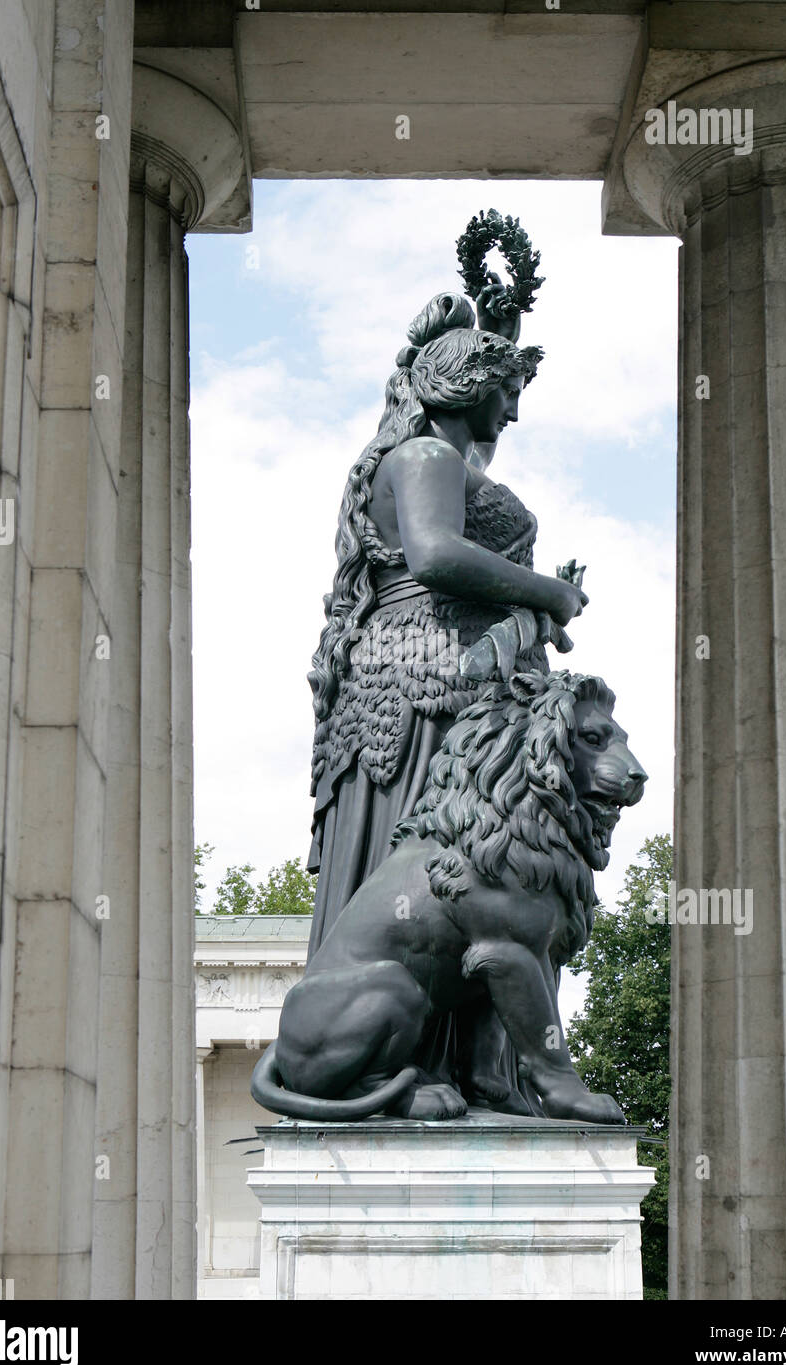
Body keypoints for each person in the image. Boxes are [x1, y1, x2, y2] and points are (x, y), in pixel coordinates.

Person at [305, 289, 587, 1108]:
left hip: (463, 674)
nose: (514, 414)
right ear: (468, 389)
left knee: (490, 872)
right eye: (505, 394)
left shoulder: (446, 459)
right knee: (454, 865)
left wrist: (497, 337)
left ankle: (482, 1071)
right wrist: (548, 593)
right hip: (426, 678)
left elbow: (473, 491)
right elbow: (433, 555)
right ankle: (410, 1066)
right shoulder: (424, 459)